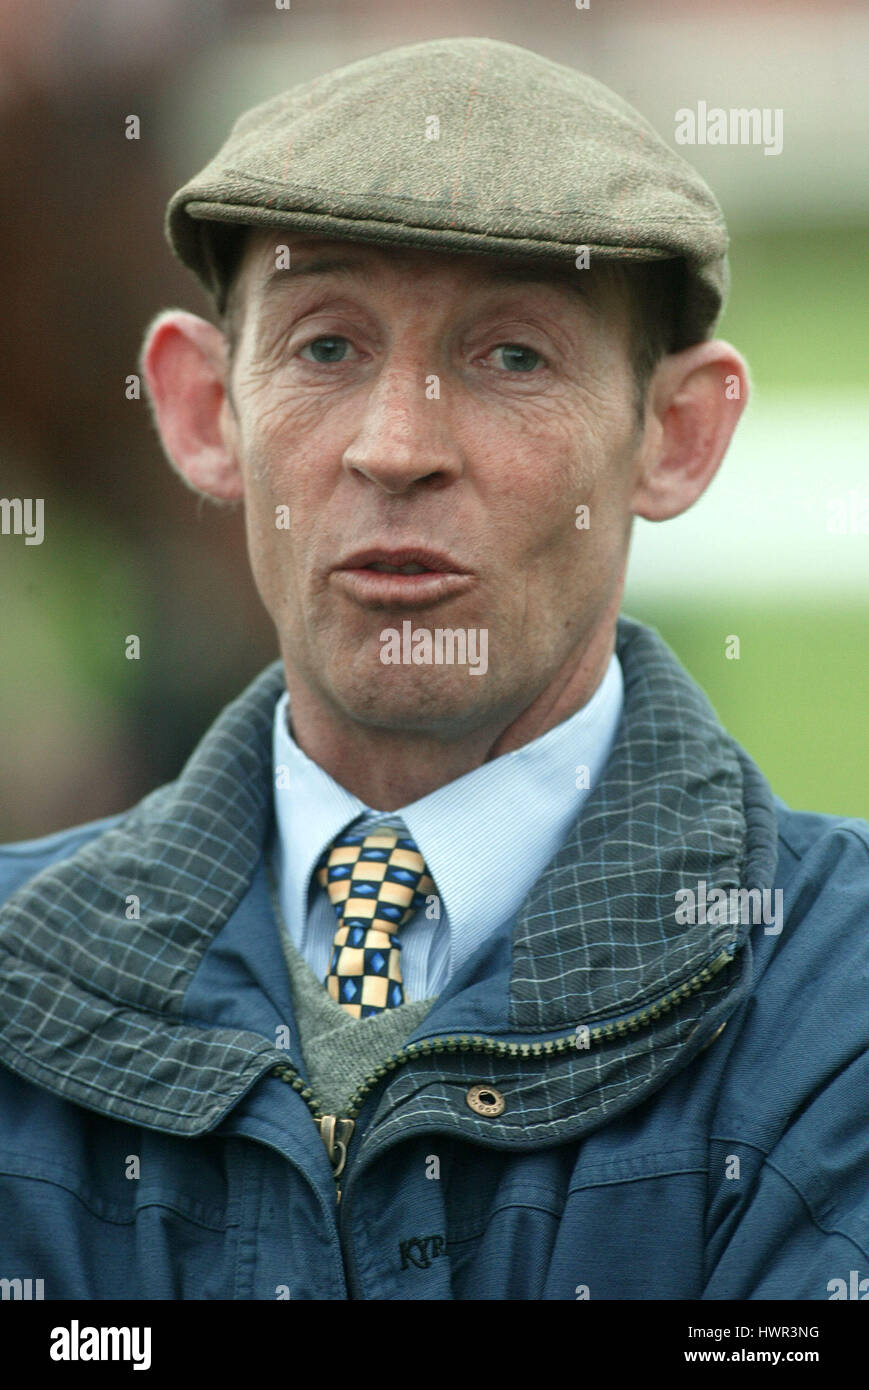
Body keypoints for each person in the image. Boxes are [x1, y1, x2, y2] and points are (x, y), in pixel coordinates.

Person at [0, 36, 866, 1302]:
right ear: (202, 410)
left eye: (510, 356)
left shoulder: (834, 1002)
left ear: (673, 437)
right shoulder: (21, 972)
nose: (395, 447)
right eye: (325, 348)